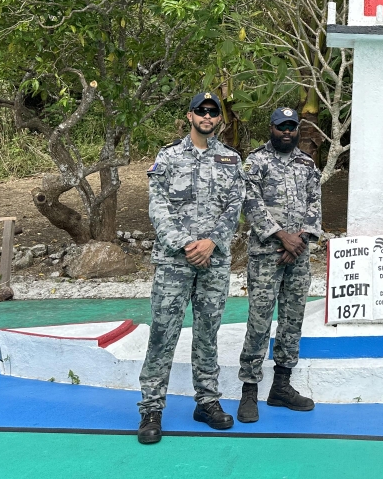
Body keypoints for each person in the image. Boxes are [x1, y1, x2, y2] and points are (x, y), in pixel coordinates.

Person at [137, 91, 246, 444]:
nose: (208, 117)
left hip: (214, 262)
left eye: (213, 113)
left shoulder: (231, 160)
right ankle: (151, 409)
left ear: (218, 119)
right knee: (163, 333)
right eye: (202, 111)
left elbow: (234, 206)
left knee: (207, 333)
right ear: (190, 116)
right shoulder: (167, 157)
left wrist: (211, 241)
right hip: (174, 262)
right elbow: (158, 207)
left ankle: (207, 401)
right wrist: (187, 244)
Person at [236, 107, 322, 423]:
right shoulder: (255, 161)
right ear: (271, 128)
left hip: (298, 256)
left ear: (297, 129)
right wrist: (280, 237)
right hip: (265, 255)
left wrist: (299, 241)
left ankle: (281, 386)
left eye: (291, 126)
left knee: (292, 319)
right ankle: (249, 391)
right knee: (259, 320)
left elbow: (316, 205)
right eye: (281, 126)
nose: (286, 131)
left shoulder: (307, 164)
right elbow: (251, 203)